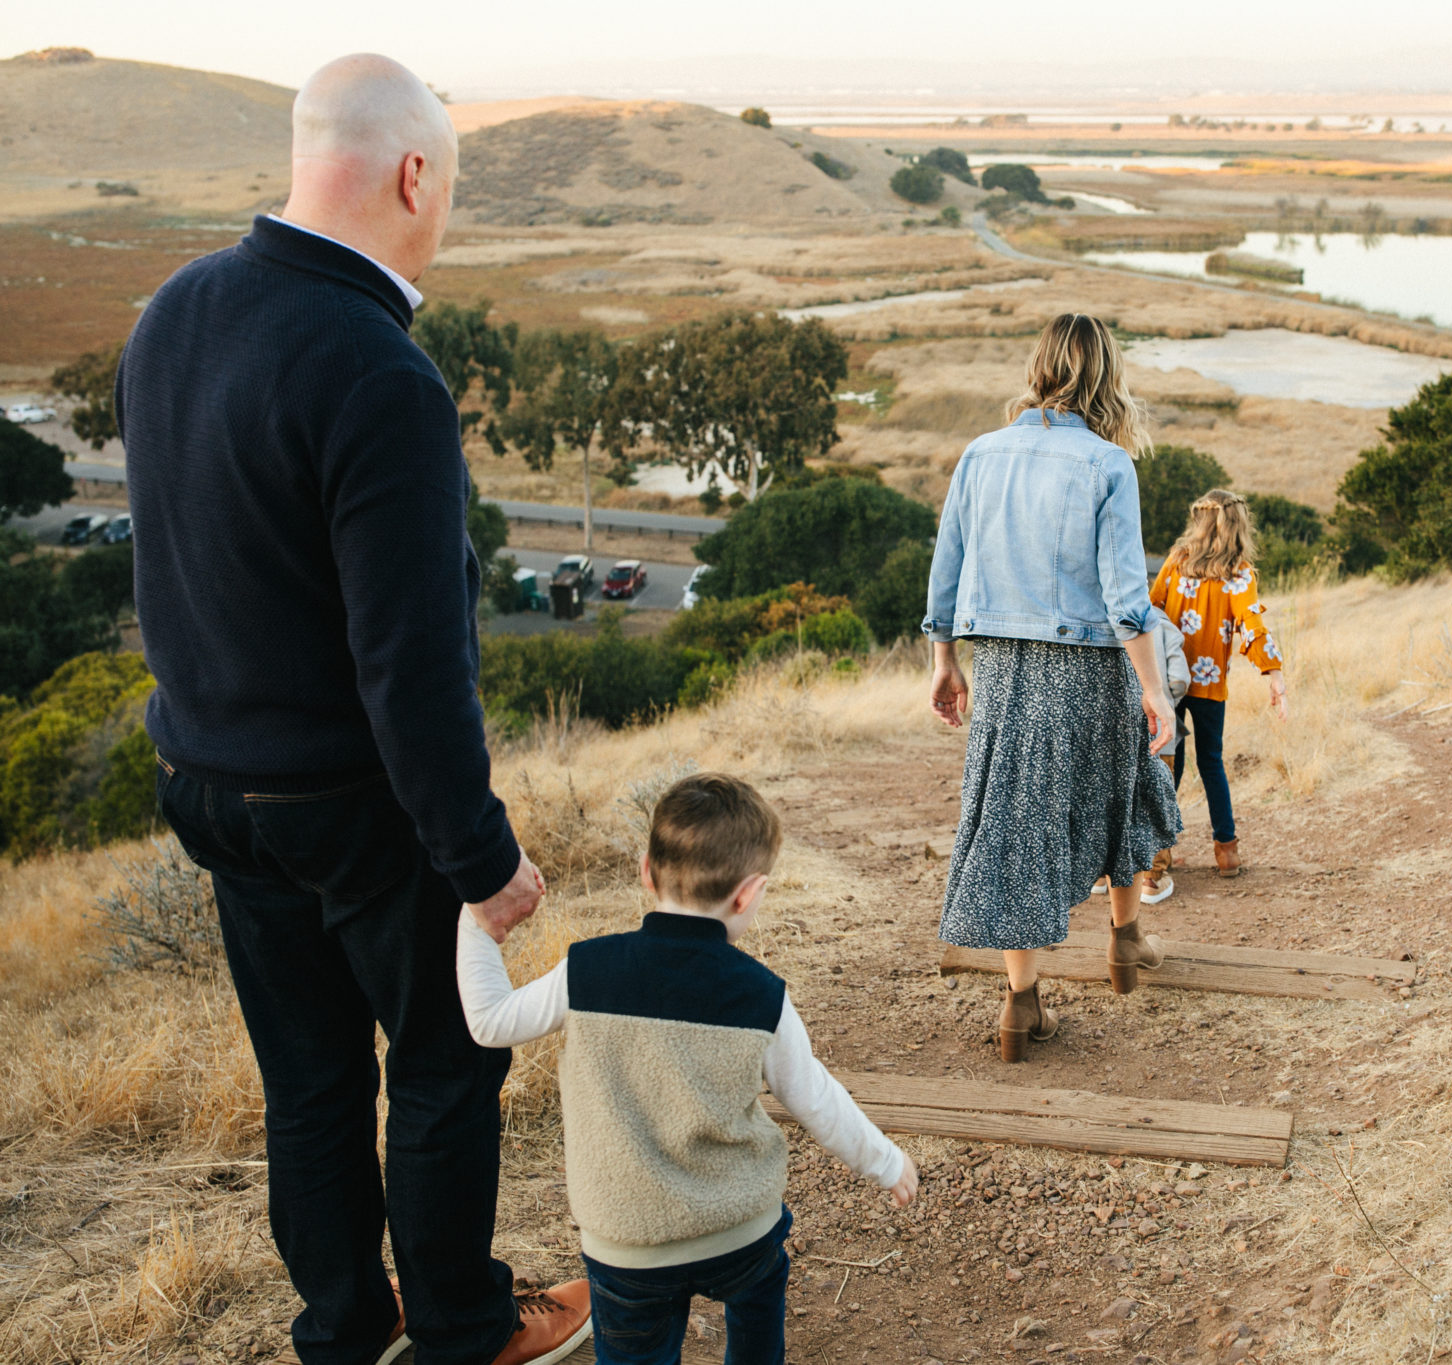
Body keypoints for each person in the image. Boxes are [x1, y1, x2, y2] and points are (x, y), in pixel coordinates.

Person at [120, 54, 589, 1365]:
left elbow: (173, 559)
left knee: (311, 1083)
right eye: (449, 188)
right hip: (350, 798)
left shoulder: (173, 312)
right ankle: (459, 1325)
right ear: (412, 173)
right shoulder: (380, 370)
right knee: (445, 1064)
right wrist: (482, 859)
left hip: (211, 785)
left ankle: (343, 1324)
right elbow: (411, 663)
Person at [455, 774, 917, 1365]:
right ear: (749, 894)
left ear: (646, 870)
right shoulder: (762, 996)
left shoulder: (584, 972)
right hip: (738, 1232)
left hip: (627, 1243)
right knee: (759, 1293)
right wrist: (885, 1161)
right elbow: (816, 1100)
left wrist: (476, 925)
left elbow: (489, 1021)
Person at [925, 313, 1184, 1062]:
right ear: (1107, 375)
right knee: (1122, 790)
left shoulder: (979, 454)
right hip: (1089, 666)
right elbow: (1126, 597)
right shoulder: (1108, 464)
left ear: (1040, 365)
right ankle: (1126, 942)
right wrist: (1154, 689)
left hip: (1002, 667)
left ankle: (1021, 1003)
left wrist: (943, 661)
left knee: (1015, 816)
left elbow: (948, 567)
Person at [1150, 489, 1289, 878]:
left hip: (1168, 680)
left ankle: (1159, 851)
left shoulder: (1176, 563)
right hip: (1210, 683)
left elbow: (1151, 612)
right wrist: (1274, 673)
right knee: (1211, 762)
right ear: (1237, 525)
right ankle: (1226, 851)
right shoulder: (1239, 572)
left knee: (1167, 763)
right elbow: (1252, 626)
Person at [1094, 615, 1190, 904]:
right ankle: (1152, 877)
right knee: (1156, 803)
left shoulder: (1102, 621)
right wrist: (1167, 700)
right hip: (1159, 734)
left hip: (1112, 732)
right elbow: (1180, 678)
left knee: (1109, 801)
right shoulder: (1163, 626)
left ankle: (1100, 875)